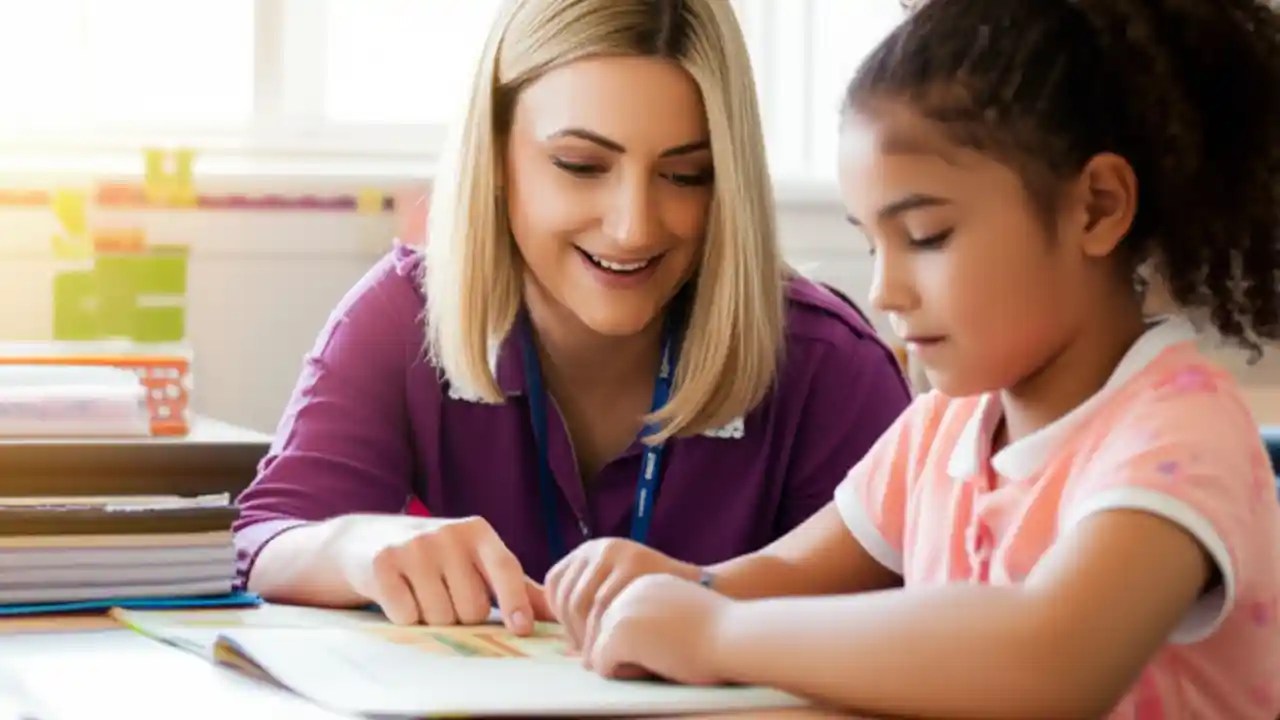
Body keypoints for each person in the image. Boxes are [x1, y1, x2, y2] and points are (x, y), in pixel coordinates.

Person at [557, 0, 1280, 717]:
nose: (884, 290)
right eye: (873, 244)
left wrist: (715, 633)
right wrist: (681, 587)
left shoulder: (1182, 434)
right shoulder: (941, 429)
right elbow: (789, 573)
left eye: (927, 235)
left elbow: (1051, 660)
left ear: (1095, 207)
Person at [231, 0, 911, 637]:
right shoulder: (401, 317)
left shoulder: (828, 365)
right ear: (497, 155)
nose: (632, 226)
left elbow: (914, 626)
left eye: (685, 175)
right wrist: (352, 545)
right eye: (581, 166)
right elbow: (259, 543)